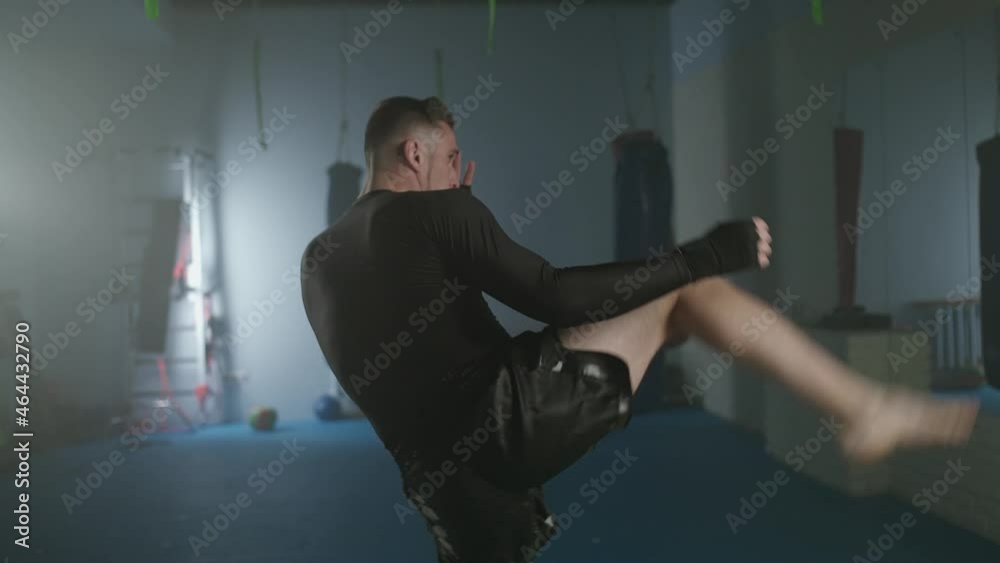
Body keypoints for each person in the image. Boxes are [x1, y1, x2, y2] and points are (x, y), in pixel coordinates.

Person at [300, 96, 979, 563]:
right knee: (688, 294)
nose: (457, 175)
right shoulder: (436, 215)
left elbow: (407, 353)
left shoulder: (316, 261)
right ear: (414, 152)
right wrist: (703, 254)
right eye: (451, 159)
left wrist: (458, 225)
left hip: (439, 480)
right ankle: (867, 408)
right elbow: (554, 295)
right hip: (510, 422)